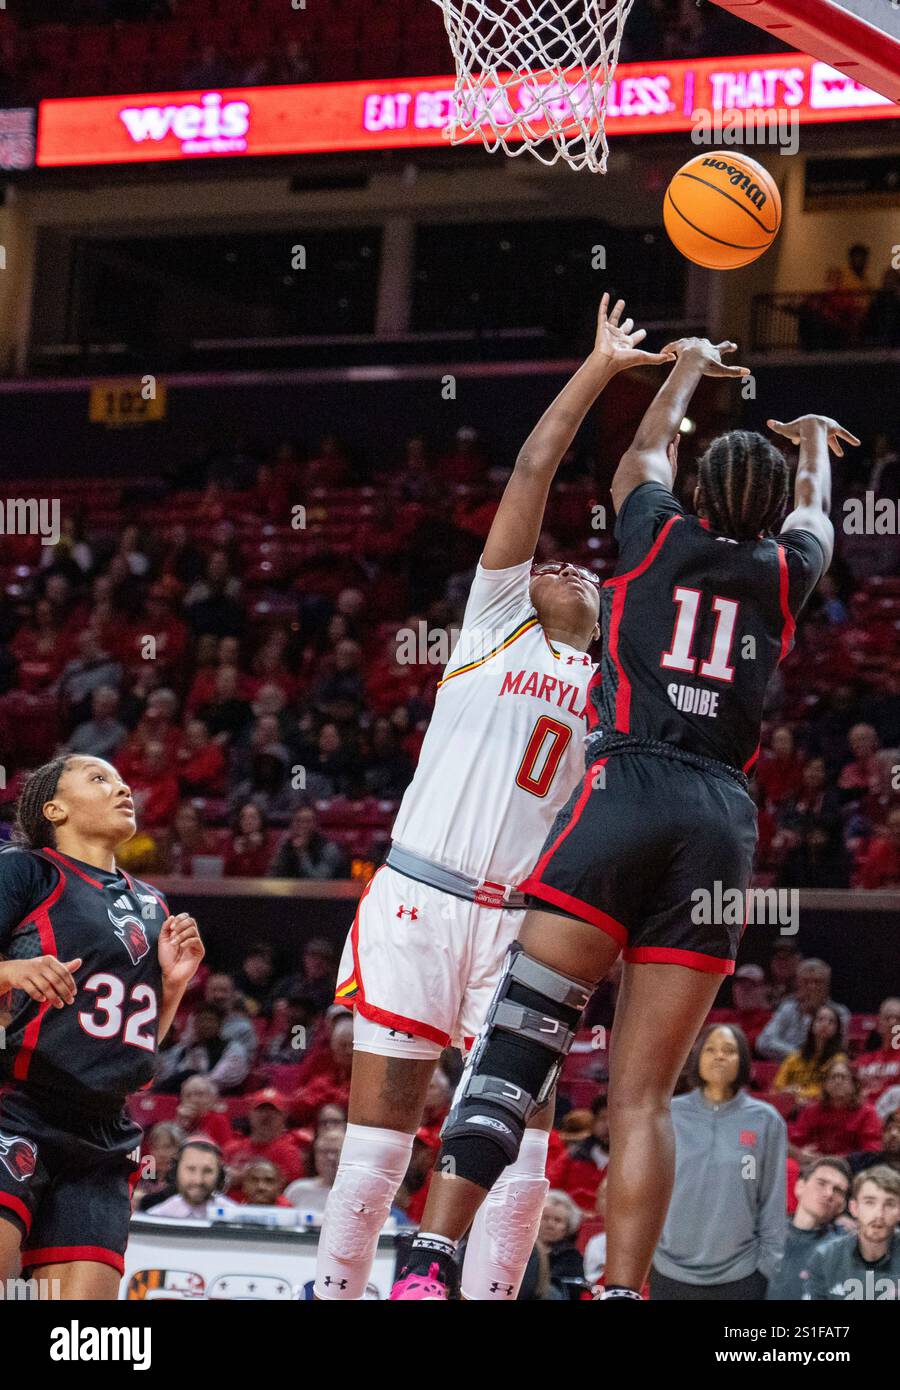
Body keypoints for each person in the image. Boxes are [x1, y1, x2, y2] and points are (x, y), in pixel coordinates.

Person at [392, 332, 859, 1300]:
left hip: (626, 792)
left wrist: (686, 365)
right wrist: (812, 440)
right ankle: (623, 1292)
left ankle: (430, 1264)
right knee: (645, 1094)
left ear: (694, 494)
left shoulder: (653, 532)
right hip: (721, 822)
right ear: (773, 515)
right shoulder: (787, 572)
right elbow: (818, 514)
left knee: (518, 1045)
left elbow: (643, 452)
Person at [316, 295, 674, 1304]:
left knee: (519, 1154)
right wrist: (605, 365)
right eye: (551, 559)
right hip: (420, 899)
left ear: (609, 608)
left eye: (585, 568)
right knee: (378, 1140)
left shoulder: (619, 683)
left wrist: (677, 391)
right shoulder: (495, 621)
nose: (563, 559)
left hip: (528, 928)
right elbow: (534, 467)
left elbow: (648, 485)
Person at [0, 754, 204, 1297]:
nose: (122, 788)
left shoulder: (153, 905)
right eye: (99, 779)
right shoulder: (24, 870)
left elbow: (138, 1044)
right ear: (55, 809)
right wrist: (11, 970)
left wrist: (175, 986)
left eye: (121, 780)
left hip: (103, 1132)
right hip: (16, 1104)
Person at [650, 1026, 787, 1300]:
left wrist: (768, 1266)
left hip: (742, 1273)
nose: (719, 1057)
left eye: (729, 1050)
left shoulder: (766, 1120)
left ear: (743, 1061)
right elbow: (650, 1191)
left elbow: (772, 1199)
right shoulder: (669, 1114)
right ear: (698, 1057)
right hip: (669, 1270)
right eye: (711, 1049)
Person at [803, 1167, 900, 1299]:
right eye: (869, 1202)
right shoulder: (826, 1257)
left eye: (889, 1204)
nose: (879, 1214)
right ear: (854, 1208)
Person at [765, 1157, 851, 1300]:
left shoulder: (841, 1254)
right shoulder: (762, 1235)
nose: (829, 1193)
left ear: (842, 1206)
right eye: (821, 1183)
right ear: (800, 1187)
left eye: (838, 1190)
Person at [757, 959, 851, 1061]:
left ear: (826, 986)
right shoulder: (788, 1008)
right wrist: (800, 1056)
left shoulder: (840, 1012)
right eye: (806, 982)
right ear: (798, 985)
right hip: (789, 1068)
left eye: (817, 982)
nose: (812, 987)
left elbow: (836, 1048)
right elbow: (764, 1042)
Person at [789, 1058, 883, 1160]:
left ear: (854, 1085)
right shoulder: (810, 1112)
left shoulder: (867, 1113)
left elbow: (871, 1152)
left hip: (852, 1168)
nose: (838, 1081)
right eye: (833, 1077)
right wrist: (800, 1153)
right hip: (810, 1164)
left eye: (843, 1077)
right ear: (824, 1084)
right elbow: (795, 1143)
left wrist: (833, 1159)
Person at [223, 1089, 305, 1190]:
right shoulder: (232, 1149)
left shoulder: (290, 1153)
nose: (266, 1115)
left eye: (273, 1111)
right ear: (250, 1114)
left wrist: (242, 1176)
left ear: (283, 1116)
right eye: (261, 1110)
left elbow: (290, 1188)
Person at [144, 1139, 237, 1220]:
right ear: (176, 1172)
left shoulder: (236, 1217)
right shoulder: (156, 1217)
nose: (198, 1180)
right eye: (191, 1169)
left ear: (219, 1175)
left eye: (208, 1171)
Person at [772, 1005, 847, 1103]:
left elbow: (830, 1092)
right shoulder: (794, 1058)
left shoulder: (839, 1061)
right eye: (820, 1019)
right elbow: (777, 1088)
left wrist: (799, 1092)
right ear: (812, 1025)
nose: (825, 1024)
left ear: (837, 1029)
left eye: (831, 1022)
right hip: (791, 1105)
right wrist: (787, 1092)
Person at [538, 1190, 586, 1299]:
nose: (550, 1225)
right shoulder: (522, 1251)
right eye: (545, 1218)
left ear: (567, 1227)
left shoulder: (571, 1256)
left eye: (557, 1220)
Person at [856, 998, 900, 1102]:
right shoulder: (862, 1060)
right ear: (879, 1023)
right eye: (888, 1018)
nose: (892, 1023)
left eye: (898, 1019)